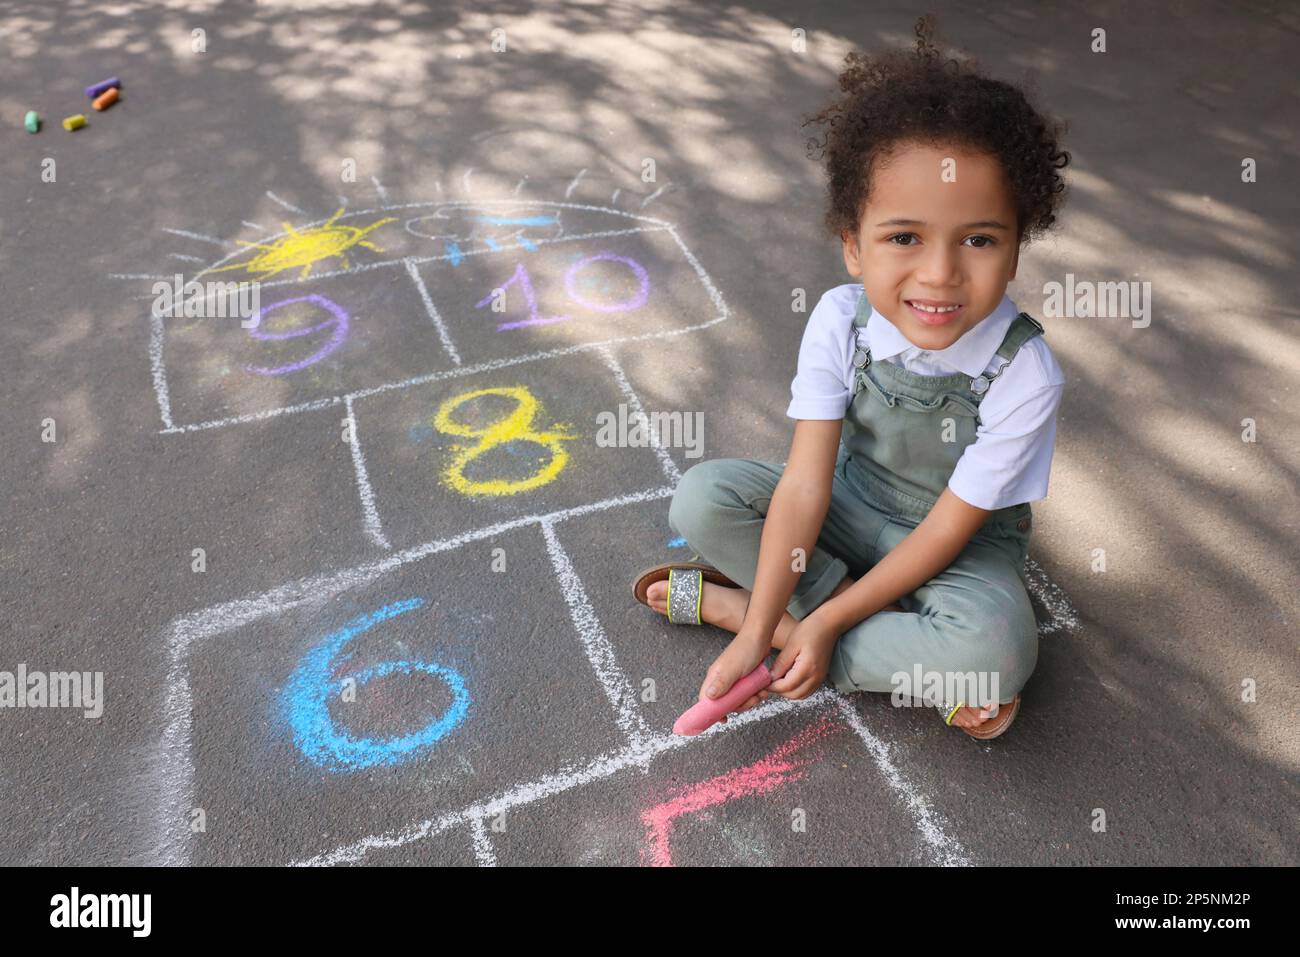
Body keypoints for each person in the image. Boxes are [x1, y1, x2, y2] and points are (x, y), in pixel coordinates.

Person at [632, 14, 1070, 739]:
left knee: (994, 657)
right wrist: (760, 633)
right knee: (703, 498)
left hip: (951, 548)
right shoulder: (842, 319)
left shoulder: (1024, 370)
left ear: (1017, 249)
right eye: (904, 237)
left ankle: (773, 621)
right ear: (853, 247)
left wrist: (816, 618)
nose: (940, 273)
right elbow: (805, 485)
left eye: (980, 240)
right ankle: (800, 630)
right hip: (846, 505)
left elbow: (944, 533)